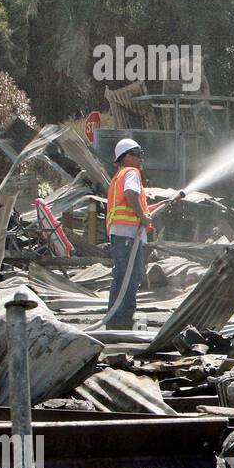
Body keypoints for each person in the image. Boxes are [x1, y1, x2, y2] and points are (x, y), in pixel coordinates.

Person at [104, 138, 152, 329]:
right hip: (128, 235)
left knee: (123, 275)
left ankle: (116, 319)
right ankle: (122, 319)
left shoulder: (119, 175)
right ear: (127, 157)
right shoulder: (131, 172)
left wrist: (147, 212)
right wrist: (143, 216)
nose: (140, 159)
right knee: (130, 276)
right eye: (137, 155)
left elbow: (130, 202)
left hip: (122, 234)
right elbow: (131, 195)